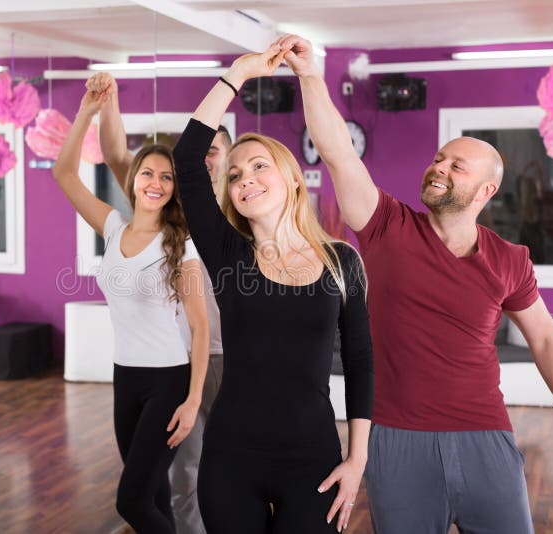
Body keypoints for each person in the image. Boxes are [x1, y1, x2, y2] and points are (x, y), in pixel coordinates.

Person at [277, 33, 553, 533]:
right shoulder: (386, 225)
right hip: (396, 436)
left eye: (457, 165)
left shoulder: (510, 259)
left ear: (486, 190)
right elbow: (340, 153)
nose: (439, 168)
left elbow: (544, 337)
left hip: (485, 434)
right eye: (438, 159)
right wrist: (310, 76)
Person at [172, 44, 374, 533]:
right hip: (231, 459)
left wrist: (357, 460)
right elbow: (187, 158)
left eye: (260, 165)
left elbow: (363, 362)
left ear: (292, 179)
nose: (247, 179)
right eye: (236, 174)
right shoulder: (227, 255)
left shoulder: (340, 261)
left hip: (313, 460)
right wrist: (239, 73)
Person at [53, 83, 209, 534]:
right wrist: (86, 110)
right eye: (148, 174)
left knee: (131, 501)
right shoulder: (113, 226)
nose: (156, 184)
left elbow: (199, 328)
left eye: (166, 177)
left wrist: (192, 399)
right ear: (133, 180)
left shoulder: (181, 245)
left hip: (169, 381)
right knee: (154, 496)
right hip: (125, 377)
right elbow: (64, 174)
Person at [88, 71, 229, 534]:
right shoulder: (168, 200)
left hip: (228, 356)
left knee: (227, 468)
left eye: (216, 150)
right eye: (199, 150)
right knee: (179, 472)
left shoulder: (241, 207)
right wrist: (107, 103)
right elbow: (113, 155)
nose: (206, 159)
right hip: (178, 356)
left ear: (229, 161)